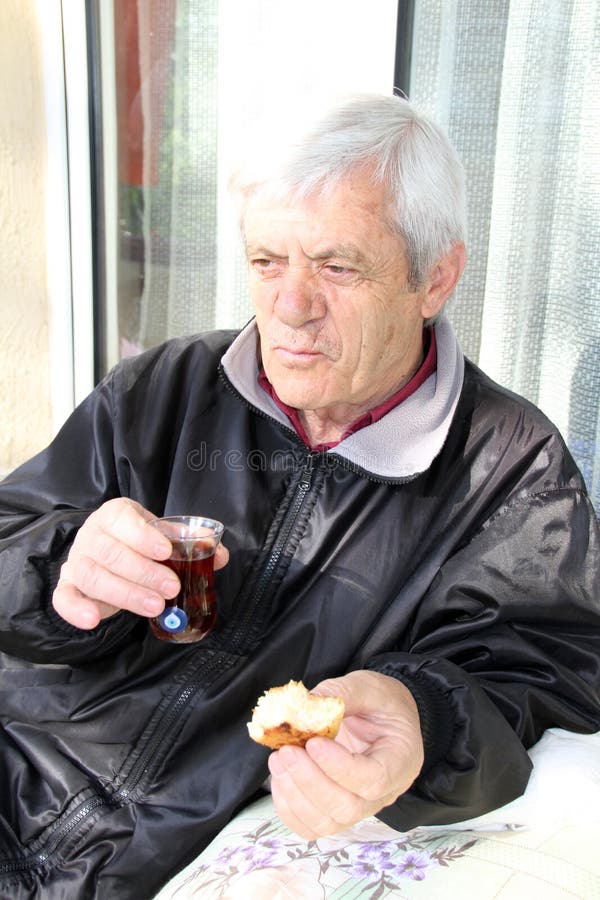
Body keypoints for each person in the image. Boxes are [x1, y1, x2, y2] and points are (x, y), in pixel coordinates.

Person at [0, 93, 598, 899]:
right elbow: (11, 532)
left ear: (435, 279)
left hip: (158, 862)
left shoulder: (508, 468)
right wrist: (61, 566)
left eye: (336, 266)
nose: (290, 306)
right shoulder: (167, 386)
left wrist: (420, 712)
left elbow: (548, 675)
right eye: (266, 262)